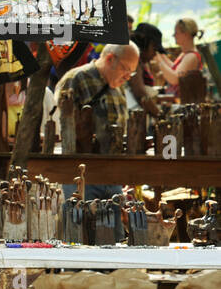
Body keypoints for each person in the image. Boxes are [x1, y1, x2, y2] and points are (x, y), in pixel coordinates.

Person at [55, 43, 139, 199]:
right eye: (126, 69)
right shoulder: (76, 79)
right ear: (110, 59)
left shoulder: (118, 85)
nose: (128, 77)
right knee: (80, 221)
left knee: (115, 221)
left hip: (112, 176)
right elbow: (64, 125)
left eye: (131, 73)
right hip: (81, 175)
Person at [151, 18, 204, 100]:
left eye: (176, 32)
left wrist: (159, 61)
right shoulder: (185, 54)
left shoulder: (191, 56)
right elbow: (175, 68)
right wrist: (162, 56)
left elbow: (175, 78)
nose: (174, 35)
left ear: (186, 34)